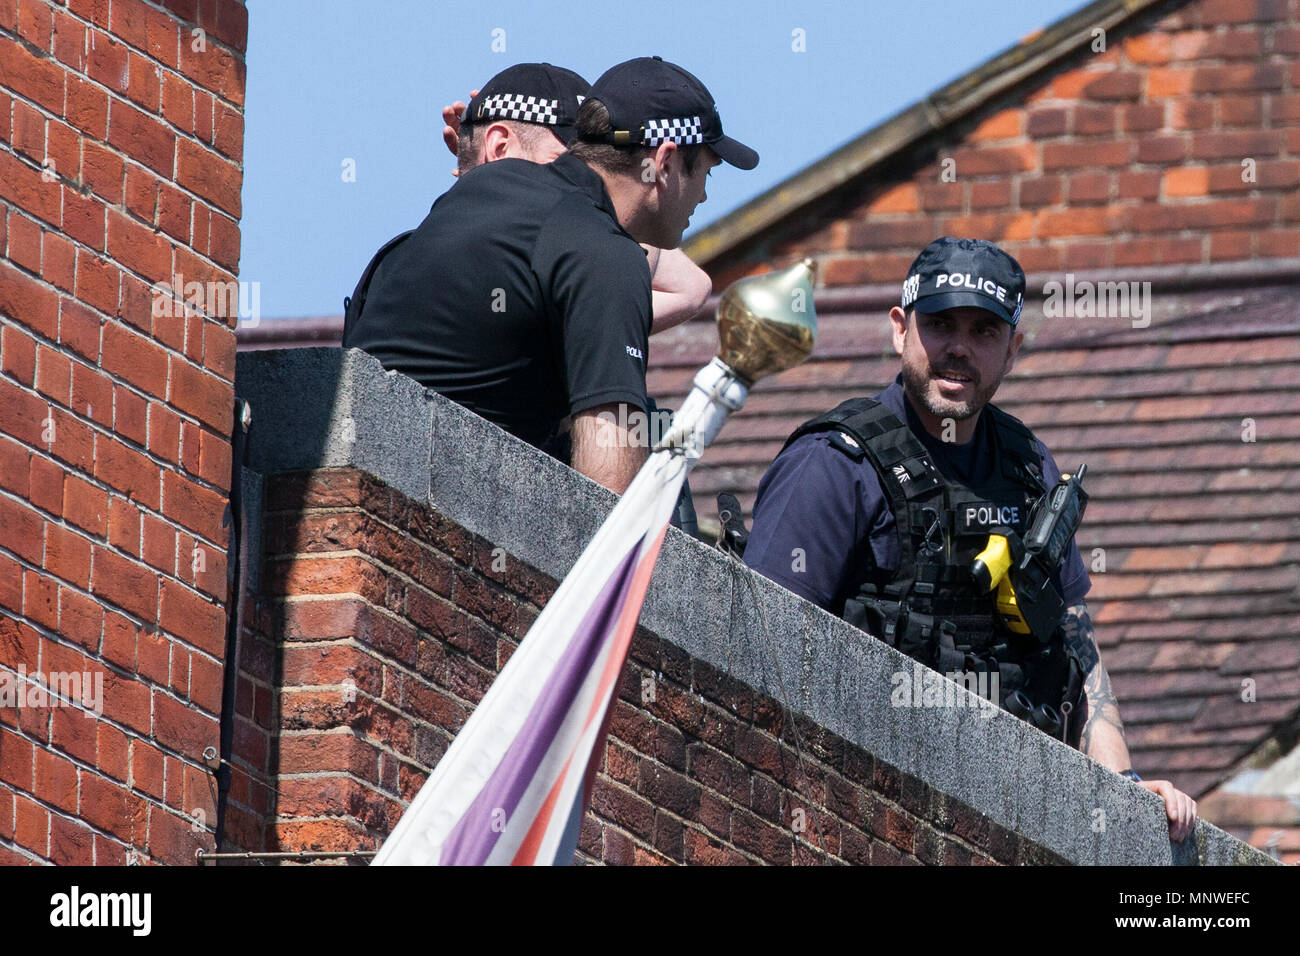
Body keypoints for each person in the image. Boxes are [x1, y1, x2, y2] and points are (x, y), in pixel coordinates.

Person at [742, 237, 1198, 842]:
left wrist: (1123, 786)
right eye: (940, 324)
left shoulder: (1028, 465)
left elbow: (1075, 648)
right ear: (900, 329)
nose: (958, 348)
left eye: (983, 331)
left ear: (1013, 349)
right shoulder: (834, 464)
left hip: (1009, 817)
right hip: (858, 809)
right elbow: (757, 652)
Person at [344, 57, 756, 493]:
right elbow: (607, 501)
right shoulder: (602, 252)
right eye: (707, 172)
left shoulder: (443, 224)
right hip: (438, 527)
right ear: (666, 162)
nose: (706, 195)